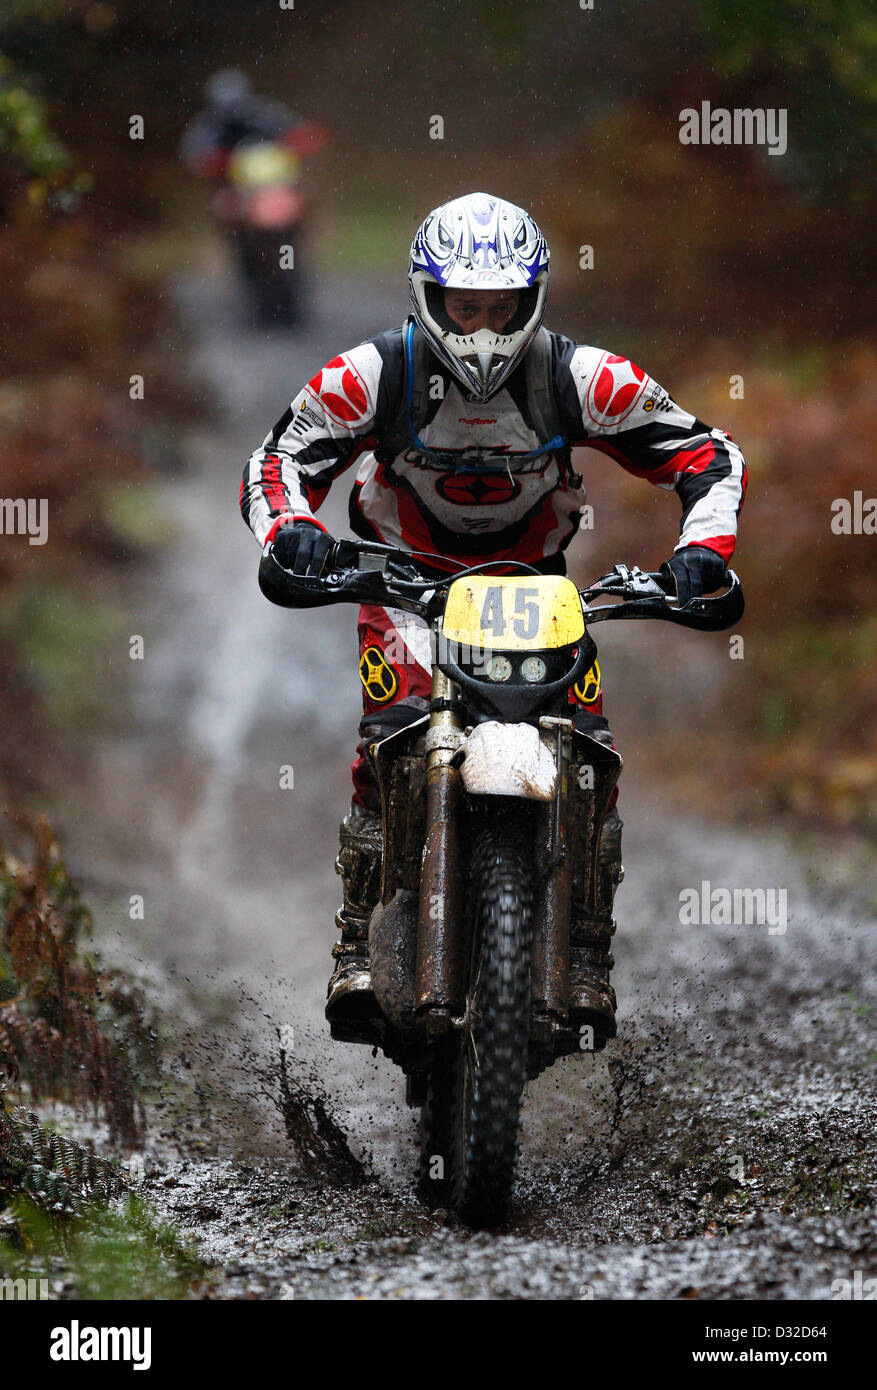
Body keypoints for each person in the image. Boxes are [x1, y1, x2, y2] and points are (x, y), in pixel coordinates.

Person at [240, 191, 747, 1044]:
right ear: (427, 296)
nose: (480, 326)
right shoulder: (374, 374)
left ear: (531, 299)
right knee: (393, 732)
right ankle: (357, 941)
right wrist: (291, 531)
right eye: (463, 306)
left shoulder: (583, 377)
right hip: (405, 580)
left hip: (534, 584)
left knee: (587, 748)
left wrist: (702, 551)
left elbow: (707, 454)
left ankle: (583, 950)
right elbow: (280, 457)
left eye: (499, 306)